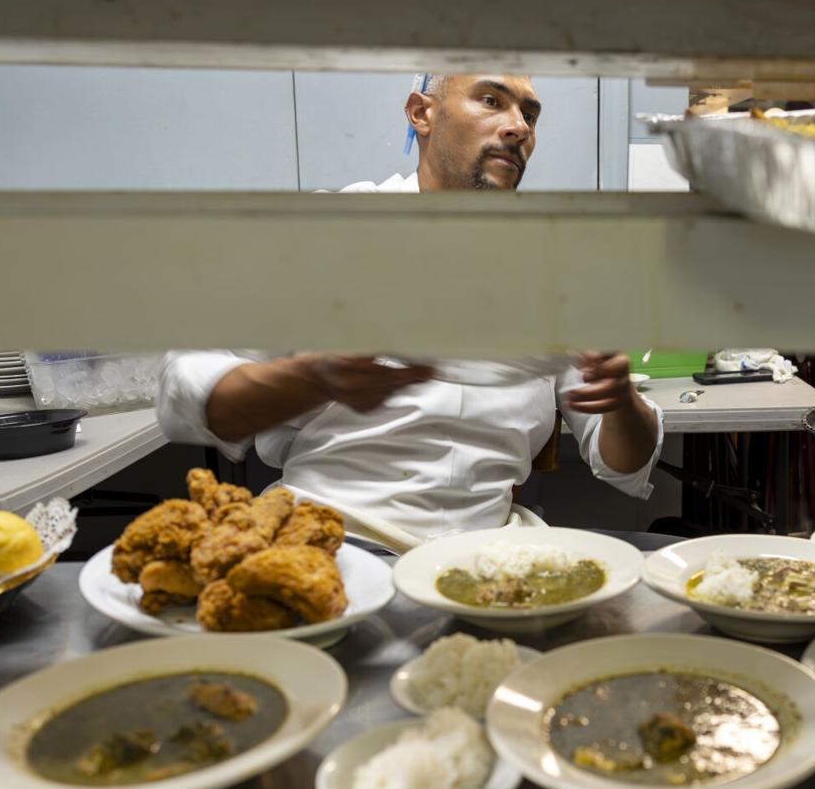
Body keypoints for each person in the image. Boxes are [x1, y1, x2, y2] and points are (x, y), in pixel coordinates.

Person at [157, 74, 662, 549]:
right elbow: (185, 384)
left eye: (529, 114)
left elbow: (623, 464)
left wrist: (620, 400)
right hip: (331, 542)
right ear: (422, 113)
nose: (519, 127)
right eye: (491, 101)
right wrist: (309, 380)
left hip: (489, 552)